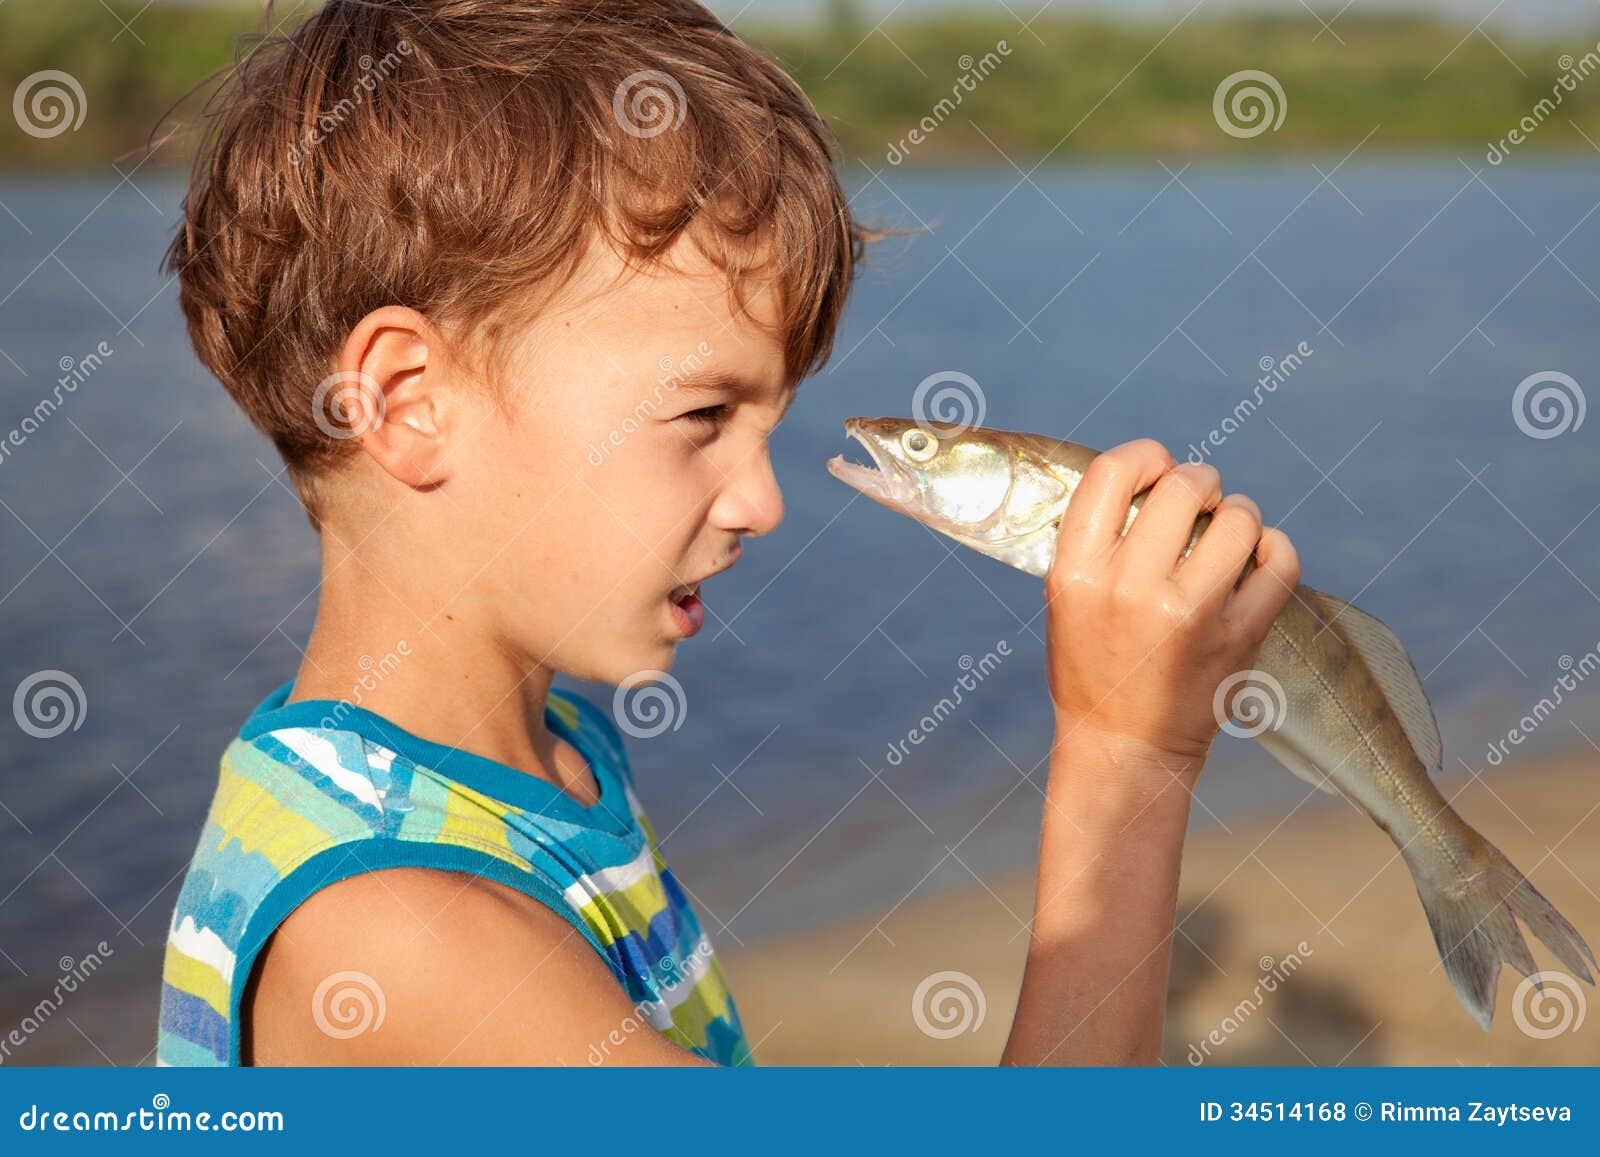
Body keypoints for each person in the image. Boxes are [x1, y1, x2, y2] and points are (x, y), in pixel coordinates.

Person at [156, 0, 1299, 1067]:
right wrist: (1127, 759)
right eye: (703, 415)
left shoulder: (543, 755)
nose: (764, 500)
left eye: (768, 423)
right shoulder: (399, 930)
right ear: (407, 403)